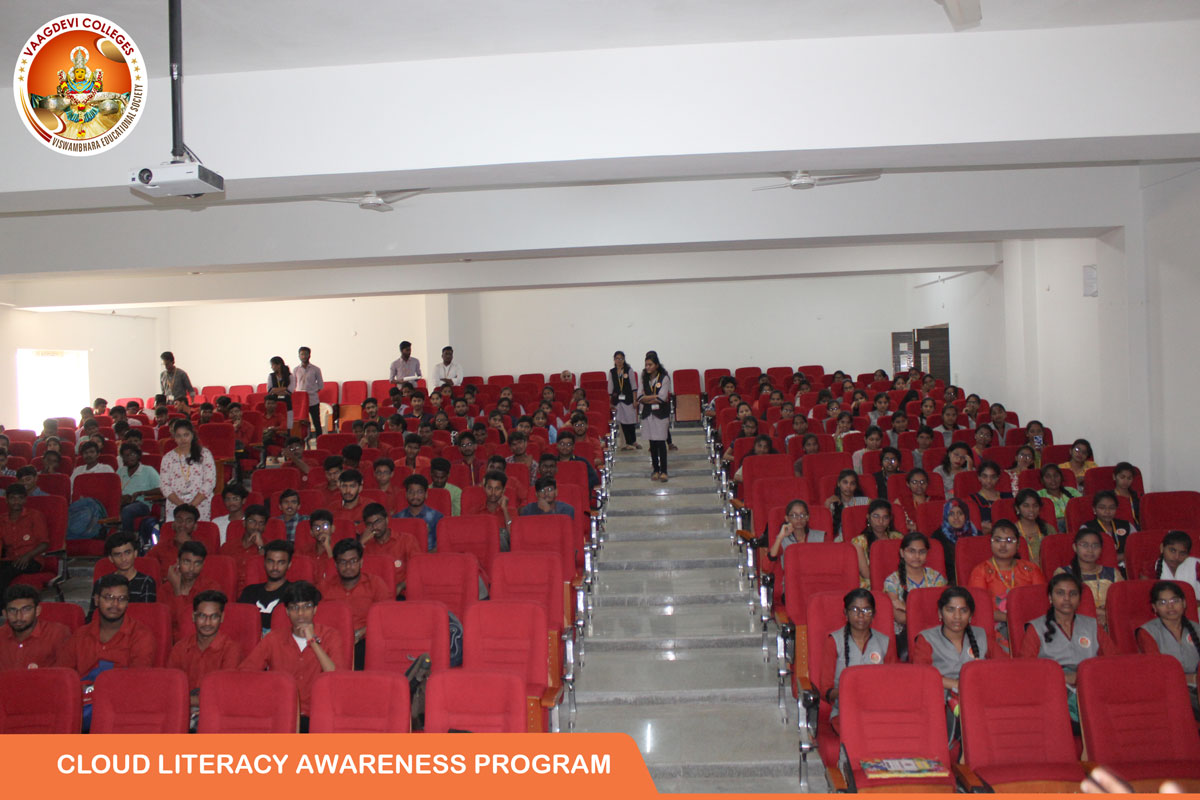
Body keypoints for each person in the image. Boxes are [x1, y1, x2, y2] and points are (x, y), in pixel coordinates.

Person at [239, 581, 346, 731]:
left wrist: (313, 642)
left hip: (317, 714)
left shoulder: (331, 636)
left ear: (315, 609)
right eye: (294, 608)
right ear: (287, 611)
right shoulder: (274, 638)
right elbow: (246, 673)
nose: (301, 613)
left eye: (306, 607)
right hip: (280, 714)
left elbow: (336, 679)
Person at [1019, 573, 1115, 723]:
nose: (1067, 599)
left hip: (1090, 683)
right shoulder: (1036, 628)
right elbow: (1026, 670)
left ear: (1079, 599)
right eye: (1060, 593)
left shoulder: (1092, 625)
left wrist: (1085, 677)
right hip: (1053, 687)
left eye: (1073, 594)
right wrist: (1063, 677)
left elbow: (1112, 661)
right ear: (1050, 598)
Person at [818, 589, 897, 726]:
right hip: (844, 711)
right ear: (846, 614)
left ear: (874, 615)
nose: (861, 616)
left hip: (878, 709)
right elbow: (826, 690)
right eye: (855, 610)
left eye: (867, 610)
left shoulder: (885, 642)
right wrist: (847, 692)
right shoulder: (834, 641)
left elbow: (892, 683)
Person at [968, 519, 1045, 653]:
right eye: (998, 540)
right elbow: (979, 610)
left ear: (1018, 544)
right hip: (994, 629)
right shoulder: (980, 571)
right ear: (990, 543)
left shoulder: (1031, 569)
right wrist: (1012, 619)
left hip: (1029, 625)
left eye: (1009, 541)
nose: (1003, 545)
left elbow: (1041, 604)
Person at [168, 589, 242, 728]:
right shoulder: (180, 648)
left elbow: (224, 695)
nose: (207, 623)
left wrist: (186, 700)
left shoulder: (231, 649)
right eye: (202, 616)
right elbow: (170, 689)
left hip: (216, 710)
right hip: (182, 708)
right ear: (193, 617)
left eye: (214, 616)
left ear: (222, 618)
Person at [64, 574, 157, 678]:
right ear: (96, 600)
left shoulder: (141, 636)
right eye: (109, 597)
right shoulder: (80, 635)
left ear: (127, 603)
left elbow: (137, 680)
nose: (115, 604)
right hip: (82, 692)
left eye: (122, 599)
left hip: (121, 692)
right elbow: (63, 677)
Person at [319, 538, 392, 669]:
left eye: (353, 561)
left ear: (361, 562)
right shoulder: (324, 587)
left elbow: (387, 617)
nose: (348, 566)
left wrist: (361, 632)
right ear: (335, 564)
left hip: (365, 640)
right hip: (332, 641)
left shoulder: (375, 584)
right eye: (343, 562)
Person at [911, 586, 993, 696]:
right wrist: (959, 685)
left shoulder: (981, 635)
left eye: (963, 611)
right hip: (939, 697)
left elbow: (1002, 668)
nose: (957, 616)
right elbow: (921, 675)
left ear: (970, 616)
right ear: (940, 613)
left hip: (978, 695)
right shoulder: (926, 639)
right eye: (951, 610)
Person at [1135, 581, 1199, 719]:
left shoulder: (1197, 628)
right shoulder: (1147, 632)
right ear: (1155, 608)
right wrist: (1192, 678)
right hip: (1170, 687)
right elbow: (1157, 670)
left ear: (1184, 603)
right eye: (1163, 602)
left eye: (1175, 600)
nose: (1170, 606)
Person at [882, 532, 947, 655]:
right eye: (911, 551)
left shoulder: (936, 578)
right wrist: (927, 613)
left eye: (922, 552)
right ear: (902, 553)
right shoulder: (892, 581)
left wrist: (906, 608)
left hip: (936, 631)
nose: (917, 556)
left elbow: (944, 611)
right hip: (905, 635)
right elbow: (900, 618)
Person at [1055, 529, 1122, 629]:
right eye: (1085, 545)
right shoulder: (1063, 573)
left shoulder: (1113, 573)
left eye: (1095, 546)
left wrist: (1108, 617)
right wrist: (1103, 614)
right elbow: (1064, 604)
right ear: (1075, 547)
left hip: (1111, 623)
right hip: (1076, 623)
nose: (1090, 550)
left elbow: (1122, 602)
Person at [0, 584, 71, 671]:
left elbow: (65, 674)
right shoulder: (1, 635)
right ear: (5, 614)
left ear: (37, 611)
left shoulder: (57, 634)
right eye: (12, 610)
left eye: (25, 610)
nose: (18, 616)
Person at [162, 540, 220, 641]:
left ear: (203, 564)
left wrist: (177, 591)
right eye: (186, 562)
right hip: (169, 643)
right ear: (178, 562)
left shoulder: (211, 588)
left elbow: (188, 625)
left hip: (197, 641)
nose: (191, 568)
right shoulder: (165, 589)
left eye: (197, 563)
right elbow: (162, 625)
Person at [160, 420, 217, 521]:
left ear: (192, 435)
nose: (183, 439)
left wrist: (192, 505)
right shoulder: (167, 458)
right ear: (174, 437)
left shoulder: (204, 454)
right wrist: (182, 506)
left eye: (186, 435)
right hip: (176, 506)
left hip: (200, 504)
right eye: (178, 436)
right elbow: (165, 486)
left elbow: (210, 482)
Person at [360, 503, 421, 594]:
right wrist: (360, 543)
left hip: (402, 594)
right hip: (374, 596)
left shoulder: (406, 540)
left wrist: (401, 586)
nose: (374, 527)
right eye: (370, 524)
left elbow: (419, 570)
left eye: (378, 522)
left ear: (387, 520)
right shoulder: (365, 546)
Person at [90, 533, 156, 615]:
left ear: (135, 553)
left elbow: (147, 614)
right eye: (117, 555)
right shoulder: (101, 582)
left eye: (127, 553)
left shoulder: (147, 582)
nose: (123, 559)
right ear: (111, 558)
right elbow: (93, 615)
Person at [237, 540, 295, 633]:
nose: (275, 567)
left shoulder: (294, 593)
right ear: (264, 563)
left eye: (281, 563)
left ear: (289, 565)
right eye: (270, 562)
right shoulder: (249, 592)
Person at [768, 500, 833, 574]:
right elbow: (770, 562)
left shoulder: (821, 537)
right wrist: (780, 537)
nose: (799, 519)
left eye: (802, 515)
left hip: (816, 577)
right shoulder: (782, 539)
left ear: (807, 518)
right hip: (791, 580)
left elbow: (830, 562)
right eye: (794, 515)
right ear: (787, 518)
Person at [850, 500, 903, 588]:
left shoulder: (898, 538)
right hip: (871, 584)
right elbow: (866, 574)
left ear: (890, 519)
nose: (880, 521)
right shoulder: (859, 542)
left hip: (897, 582)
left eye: (885, 517)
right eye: (876, 516)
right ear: (868, 517)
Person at [929, 497, 982, 583]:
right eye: (951, 514)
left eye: (960, 513)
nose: (956, 517)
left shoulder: (976, 534)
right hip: (950, 581)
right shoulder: (937, 537)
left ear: (966, 515)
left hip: (976, 578)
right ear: (946, 516)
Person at [639, 350, 672, 483]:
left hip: (661, 414)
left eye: (650, 365)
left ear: (656, 365)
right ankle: (655, 469)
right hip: (648, 414)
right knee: (652, 443)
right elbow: (640, 397)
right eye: (646, 365)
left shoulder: (664, 377)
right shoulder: (643, 377)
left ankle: (664, 470)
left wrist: (648, 398)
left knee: (661, 443)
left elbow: (663, 398)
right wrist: (653, 397)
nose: (647, 367)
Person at [116, 442, 161, 535]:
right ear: (123, 459)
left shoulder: (148, 470)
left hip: (142, 504)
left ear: (138, 455)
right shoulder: (120, 471)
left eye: (132, 454)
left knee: (127, 510)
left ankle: (128, 539)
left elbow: (161, 489)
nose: (130, 458)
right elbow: (113, 491)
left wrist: (141, 493)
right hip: (122, 503)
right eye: (126, 456)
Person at [1078, 490, 1133, 562]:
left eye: (1112, 508)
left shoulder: (1127, 525)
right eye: (1102, 508)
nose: (1107, 512)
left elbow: (1137, 548)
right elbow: (1087, 555)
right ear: (1094, 509)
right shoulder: (1087, 529)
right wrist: (1121, 557)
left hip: (1128, 567)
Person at [393, 474, 443, 552]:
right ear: (406, 495)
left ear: (426, 494)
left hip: (428, 559)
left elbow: (440, 546)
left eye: (419, 492)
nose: (415, 496)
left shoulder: (437, 518)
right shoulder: (397, 519)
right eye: (411, 492)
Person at [1144, 530, 1200, 596]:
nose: (1176, 557)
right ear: (1162, 548)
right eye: (1172, 551)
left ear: (1188, 554)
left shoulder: (1196, 565)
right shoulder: (1149, 569)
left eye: (1182, 553)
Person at [1011, 488, 1055, 566]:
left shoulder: (1049, 529)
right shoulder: (1011, 532)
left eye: (1035, 506)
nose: (1031, 510)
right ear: (1017, 508)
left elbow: (1056, 555)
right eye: (1026, 506)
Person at [893, 468, 943, 534]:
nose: (919, 485)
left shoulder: (936, 501)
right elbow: (894, 523)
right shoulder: (900, 501)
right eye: (914, 482)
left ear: (927, 483)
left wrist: (918, 527)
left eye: (922, 482)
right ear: (908, 484)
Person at [969, 460, 1013, 534]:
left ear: (998, 478)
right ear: (979, 477)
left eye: (993, 477)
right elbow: (975, 526)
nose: (989, 480)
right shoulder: (973, 499)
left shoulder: (1007, 497)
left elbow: (1012, 521)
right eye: (984, 476)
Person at [824, 469, 870, 539]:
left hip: (862, 537)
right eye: (845, 482)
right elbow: (826, 528)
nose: (848, 486)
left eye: (852, 483)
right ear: (838, 483)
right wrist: (827, 505)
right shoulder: (832, 503)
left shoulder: (865, 501)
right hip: (841, 539)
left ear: (856, 486)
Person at [291, 346, 325, 437]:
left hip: (313, 400)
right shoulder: (295, 370)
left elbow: (321, 385)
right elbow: (293, 385)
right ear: (298, 356)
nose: (304, 356)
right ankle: (303, 440)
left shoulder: (316, 369)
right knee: (301, 422)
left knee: (316, 422)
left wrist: (312, 391)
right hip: (300, 402)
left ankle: (319, 440)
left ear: (309, 355)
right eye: (301, 354)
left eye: (305, 354)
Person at [609, 350, 640, 450]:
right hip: (617, 400)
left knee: (630, 421)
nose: (619, 360)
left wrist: (635, 400)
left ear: (624, 359)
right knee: (622, 422)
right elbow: (610, 387)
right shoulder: (612, 372)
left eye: (621, 358)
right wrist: (610, 401)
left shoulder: (628, 370)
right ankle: (627, 443)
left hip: (628, 399)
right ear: (614, 359)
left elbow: (634, 386)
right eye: (617, 358)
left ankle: (633, 441)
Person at [1038, 464, 1081, 532]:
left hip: (1076, 525)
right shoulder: (1039, 495)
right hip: (1053, 529)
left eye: (1056, 476)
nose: (1053, 479)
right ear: (1042, 480)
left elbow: (1083, 510)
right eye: (1048, 477)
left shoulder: (1072, 491)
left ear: (1061, 478)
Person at [1111, 461, 1142, 527]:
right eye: (1122, 477)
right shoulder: (1109, 497)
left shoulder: (1138, 496)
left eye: (1129, 478)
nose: (1125, 481)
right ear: (1114, 477)